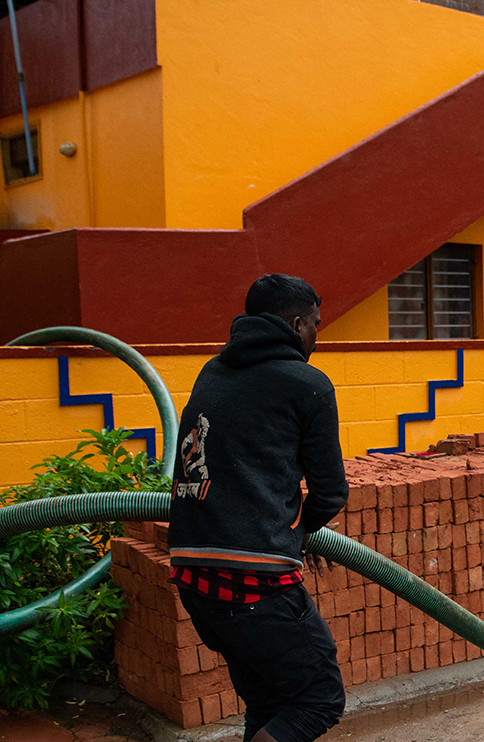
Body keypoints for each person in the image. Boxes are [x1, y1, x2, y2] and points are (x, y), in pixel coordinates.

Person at [166, 274, 350, 742]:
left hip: (193, 573)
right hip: (251, 577)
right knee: (318, 698)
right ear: (294, 324)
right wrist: (301, 530)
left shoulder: (212, 371)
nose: (315, 337)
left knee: (270, 702)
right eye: (314, 325)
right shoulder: (306, 383)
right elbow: (330, 492)